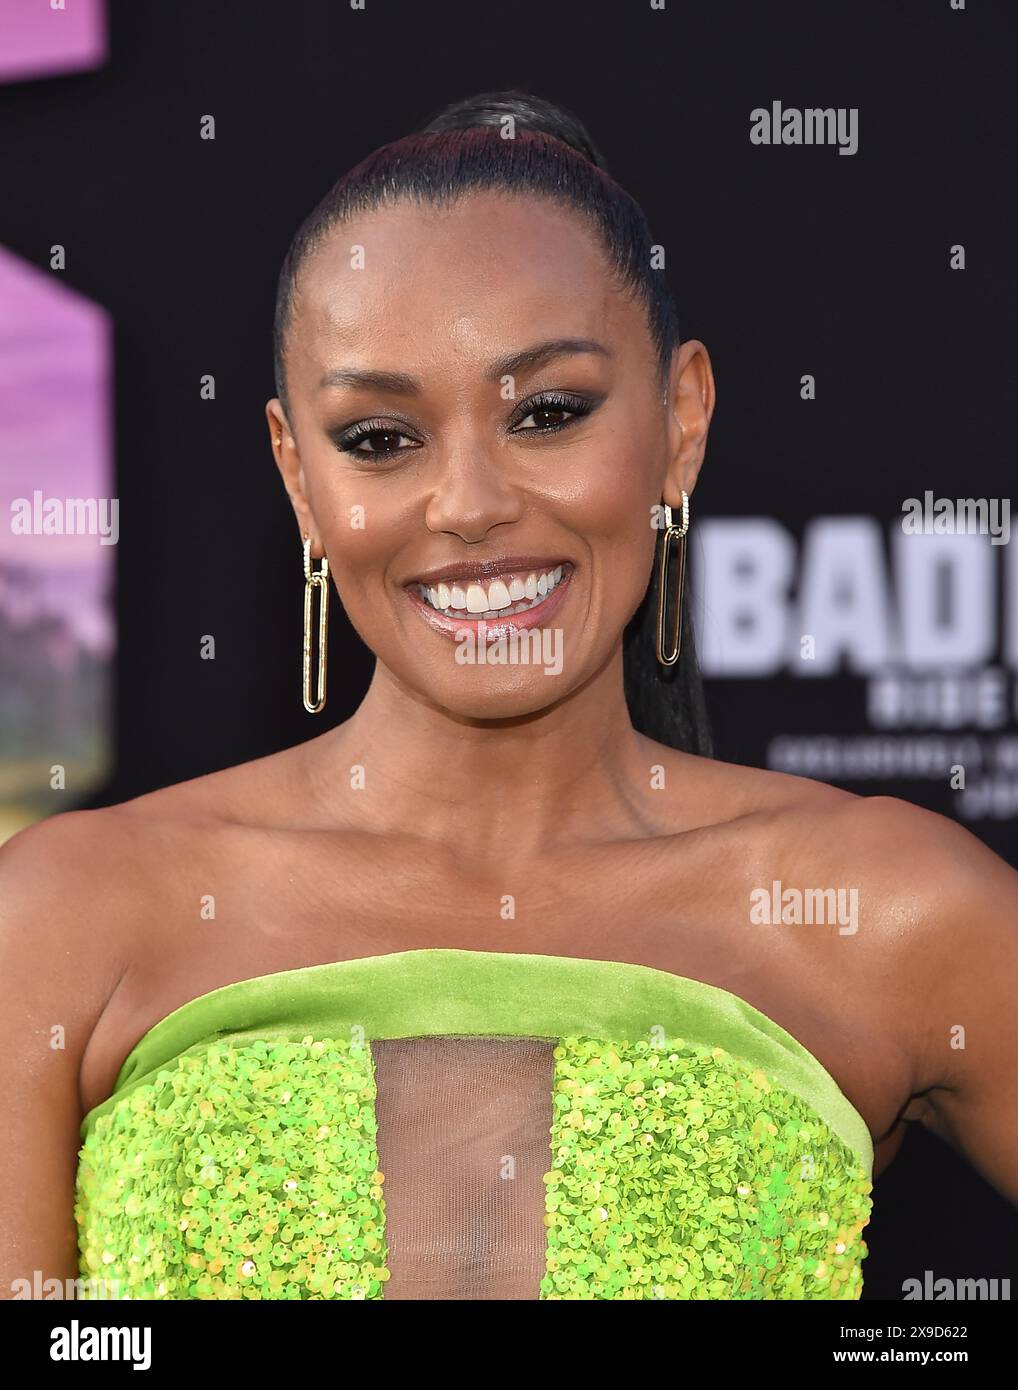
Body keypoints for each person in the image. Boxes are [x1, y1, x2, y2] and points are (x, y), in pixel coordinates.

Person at [1, 91, 1015, 1302]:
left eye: (547, 413)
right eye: (379, 438)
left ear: (679, 423)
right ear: (297, 475)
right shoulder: (63, 918)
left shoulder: (895, 912)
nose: (468, 503)